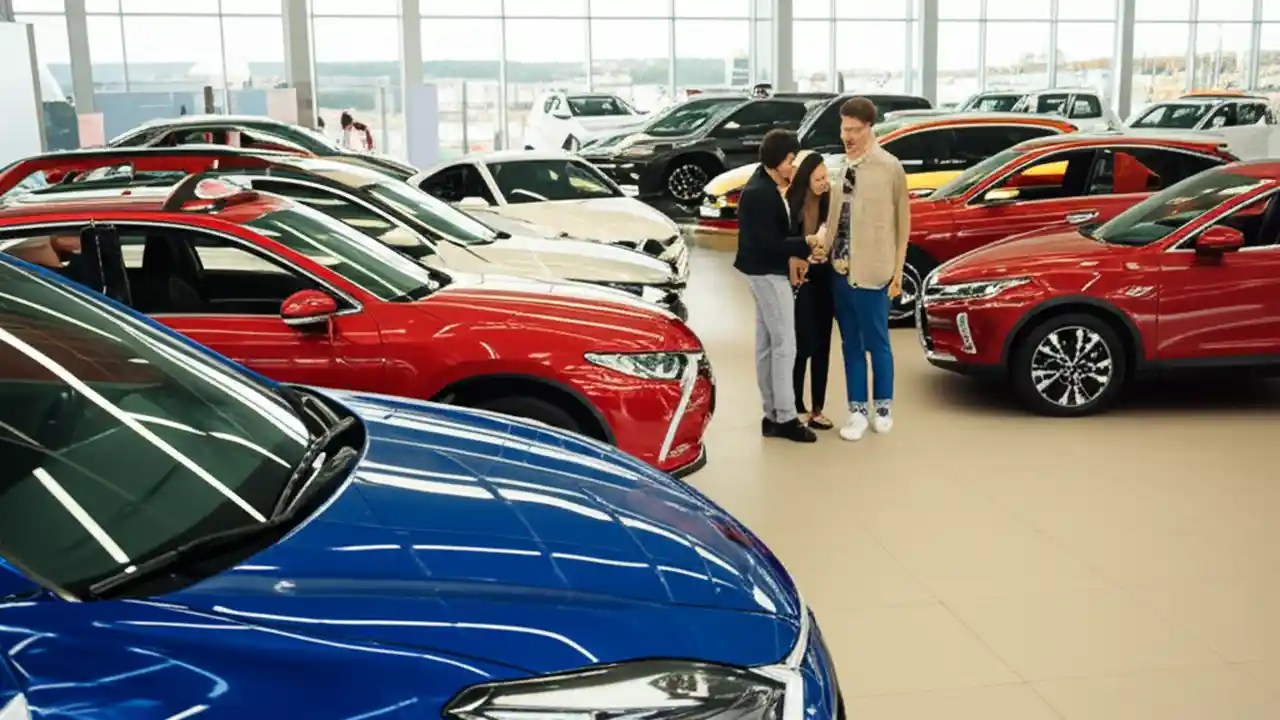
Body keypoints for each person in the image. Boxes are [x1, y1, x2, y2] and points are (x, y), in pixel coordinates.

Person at [816, 96, 910, 442]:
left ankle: (883, 406)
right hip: (840, 270)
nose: (848, 136)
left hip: (875, 270)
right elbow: (835, 216)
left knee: (878, 342)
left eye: (855, 130)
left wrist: (897, 271)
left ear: (870, 128)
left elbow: (903, 224)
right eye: (844, 129)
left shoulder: (889, 168)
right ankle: (856, 409)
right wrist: (822, 247)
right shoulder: (841, 166)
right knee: (850, 345)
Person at [733, 129, 817, 444]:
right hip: (767, 272)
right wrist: (807, 243)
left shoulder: (765, 184)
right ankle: (786, 416)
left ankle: (772, 414)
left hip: (762, 271)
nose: (793, 166)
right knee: (785, 345)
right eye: (791, 160)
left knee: (768, 344)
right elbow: (770, 244)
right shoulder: (759, 193)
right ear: (778, 159)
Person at [785, 150, 835, 430]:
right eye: (819, 178)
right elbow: (785, 240)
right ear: (806, 178)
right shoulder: (791, 204)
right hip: (800, 277)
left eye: (826, 177)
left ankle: (818, 407)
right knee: (801, 344)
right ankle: (796, 405)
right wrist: (806, 244)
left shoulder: (831, 203)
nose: (824, 183)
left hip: (825, 274)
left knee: (823, 345)